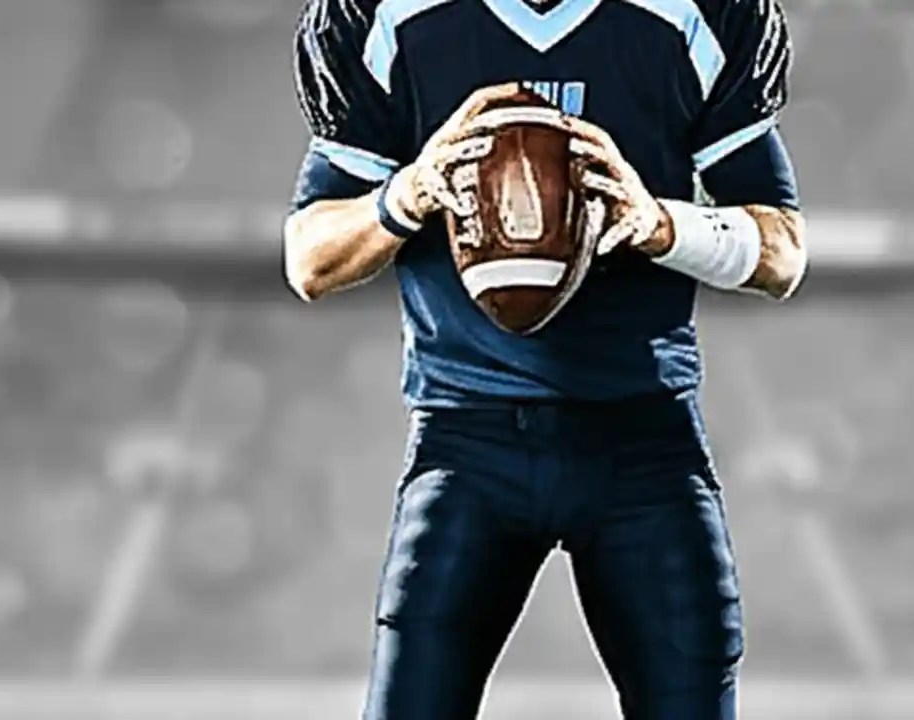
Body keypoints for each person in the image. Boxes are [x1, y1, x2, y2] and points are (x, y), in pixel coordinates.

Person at [283, 0, 808, 717]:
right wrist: (407, 193)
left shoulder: (694, 14)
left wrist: (658, 222)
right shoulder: (393, 15)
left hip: (643, 439)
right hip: (466, 438)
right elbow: (309, 259)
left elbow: (782, 254)